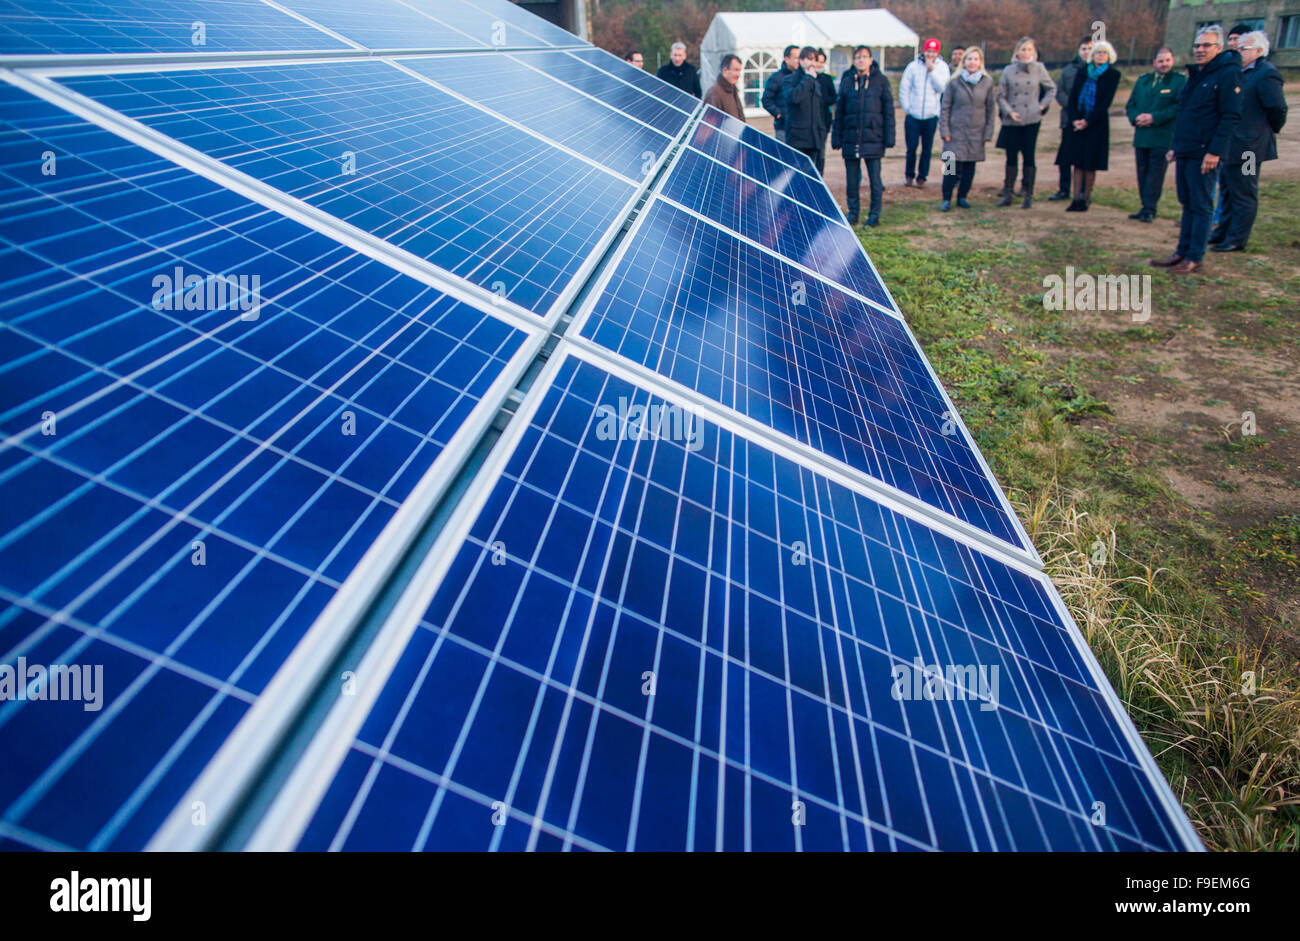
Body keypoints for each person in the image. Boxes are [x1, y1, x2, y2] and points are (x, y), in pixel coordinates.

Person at [1150, 26, 1241, 274]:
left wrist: (1215, 152)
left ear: (1219, 48)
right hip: (1187, 149)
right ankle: (1182, 251)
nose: (1200, 50)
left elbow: (1230, 116)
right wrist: (1175, 147)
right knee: (1187, 202)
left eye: (1206, 45)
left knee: (1202, 205)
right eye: (1197, 45)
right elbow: (1185, 115)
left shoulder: (1227, 74)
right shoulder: (1197, 74)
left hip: (1206, 153)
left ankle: (1195, 256)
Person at [1211, 31, 1287, 252]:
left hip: (1250, 148)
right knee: (1227, 187)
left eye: (1243, 48)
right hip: (1230, 144)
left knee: (1243, 191)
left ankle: (1236, 238)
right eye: (1237, 47)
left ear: (1259, 51)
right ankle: (1222, 232)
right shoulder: (1239, 72)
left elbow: (1277, 108)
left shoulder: (1266, 74)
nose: (1237, 51)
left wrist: (1266, 130)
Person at [832, 45, 895, 226]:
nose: (861, 60)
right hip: (851, 139)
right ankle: (853, 213)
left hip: (873, 138)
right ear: (854, 60)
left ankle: (874, 214)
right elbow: (840, 112)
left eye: (865, 57)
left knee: (875, 180)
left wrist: (889, 137)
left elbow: (888, 111)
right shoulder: (847, 81)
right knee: (852, 180)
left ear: (870, 59)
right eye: (858, 57)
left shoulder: (880, 81)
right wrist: (837, 137)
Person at [995, 37, 1055, 208]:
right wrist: (1009, 112)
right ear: (1017, 52)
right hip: (1012, 119)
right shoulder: (1008, 70)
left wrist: (1041, 105)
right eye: (1023, 49)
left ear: (1033, 52)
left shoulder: (1039, 69)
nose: (1026, 52)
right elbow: (1000, 96)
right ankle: (1008, 193)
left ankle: (1028, 194)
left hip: (1031, 119)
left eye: (1029, 49)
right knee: (1011, 157)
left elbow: (1051, 89)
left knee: (1029, 156)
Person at [1125, 47, 1185, 222]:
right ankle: (1144, 205)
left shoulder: (1179, 81)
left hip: (1162, 135)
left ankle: (1150, 208)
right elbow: (1131, 104)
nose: (1164, 64)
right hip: (1142, 135)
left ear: (1172, 61)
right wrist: (1136, 117)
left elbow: (1177, 107)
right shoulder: (1143, 80)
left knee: (1155, 174)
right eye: (1160, 61)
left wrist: (1154, 117)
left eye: (1167, 60)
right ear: (1154, 63)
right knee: (1142, 172)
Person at [1061, 40, 1120, 211]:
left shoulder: (1112, 75)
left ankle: (1086, 198)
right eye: (1097, 52)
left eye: (1104, 53)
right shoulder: (1082, 72)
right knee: (1077, 162)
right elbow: (1073, 98)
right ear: (1092, 55)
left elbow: (1105, 103)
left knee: (1090, 163)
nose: (1100, 55)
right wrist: (1075, 120)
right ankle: (1075, 198)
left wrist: (1088, 121)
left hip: (1096, 124)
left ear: (1109, 56)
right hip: (1078, 122)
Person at [939, 46, 995, 211]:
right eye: (969, 59)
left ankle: (962, 196)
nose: (972, 62)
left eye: (975, 59)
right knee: (950, 169)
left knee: (969, 168)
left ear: (980, 62)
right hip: (954, 133)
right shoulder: (953, 82)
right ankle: (946, 198)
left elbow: (991, 109)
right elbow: (945, 108)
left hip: (975, 133)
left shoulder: (987, 82)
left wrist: (988, 132)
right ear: (964, 62)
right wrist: (945, 131)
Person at [899, 37, 950, 188]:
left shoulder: (942, 68)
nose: (930, 54)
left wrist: (932, 70)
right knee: (912, 147)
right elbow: (905, 88)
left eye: (933, 52)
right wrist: (907, 107)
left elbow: (943, 88)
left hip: (931, 115)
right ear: (924, 51)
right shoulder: (913, 67)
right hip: (913, 115)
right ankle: (909, 174)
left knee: (926, 148)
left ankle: (922, 176)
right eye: (928, 51)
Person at [1049, 36, 1093, 200]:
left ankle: (1083, 191)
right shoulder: (1068, 70)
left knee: (1084, 158)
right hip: (1069, 119)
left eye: (1090, 48)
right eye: (1083, 49)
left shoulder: (1098, 71)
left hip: (1089, 121)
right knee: (1065, 156)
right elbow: (1059, 92)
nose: (1086, 52)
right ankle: (1063, 189)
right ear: (1078, 50)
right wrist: (1073, 108)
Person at [783, 46, 830, 174]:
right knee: (796, 177)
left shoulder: (816, 82)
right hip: (798, 139)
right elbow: (794, 97)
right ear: (801, 60)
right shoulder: (790, 80)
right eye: (809, 59)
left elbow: (820, 109)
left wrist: (822, 131)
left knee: (813, 177)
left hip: (815, 139)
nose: (812, 63)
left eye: (815, 60)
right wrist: (808, 79)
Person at [762, 44, 800, 144]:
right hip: (783, 127)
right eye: (796, 58)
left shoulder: (802, 78)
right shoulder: (777, 78)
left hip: (799, 129)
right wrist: (779, 114)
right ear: (787, 59)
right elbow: (766, 100)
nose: (798, 61)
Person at [703, 54, 747, 122]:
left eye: (739, 71)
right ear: (725, 70)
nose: (739, 75)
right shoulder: (715, 93)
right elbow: (709, 125)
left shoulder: (733, 90)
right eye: (736, 70)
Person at [815, 49, 837, 158]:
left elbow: (833, 97)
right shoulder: (806, 78)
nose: (819, 64)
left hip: (823, 120)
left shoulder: (826, 79)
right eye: (818, 61)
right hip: (809, 123)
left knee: (821, 152)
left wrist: (823, 100)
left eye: (822, 62)